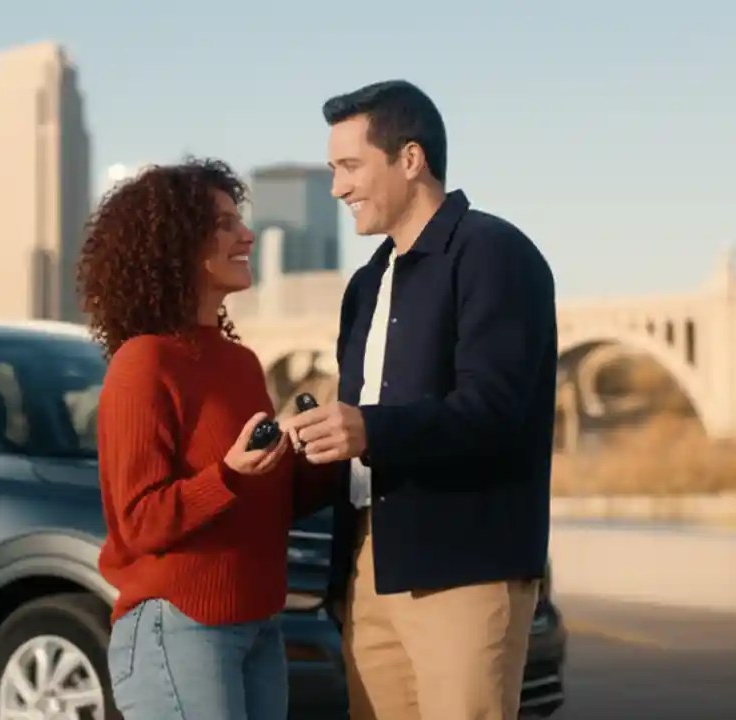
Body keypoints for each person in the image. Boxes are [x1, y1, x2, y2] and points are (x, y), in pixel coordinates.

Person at [282, 80, 558, 720]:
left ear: (411, 159)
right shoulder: (365, 284)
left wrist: (368, 430)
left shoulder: (495, 254)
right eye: (332, 170)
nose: (337, 188)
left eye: (350, 167)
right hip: (367, 569)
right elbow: (361, 433)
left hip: (463, 569)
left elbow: (494, 410)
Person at [77, 158, 338, 720]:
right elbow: (138, 520)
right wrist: (228, 475)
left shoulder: (240, 363)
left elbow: (268, 501)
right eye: (223, 224)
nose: (246, 235)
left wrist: (324, 451)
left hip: (260, 624)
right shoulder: (143, 363)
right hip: (180, 626)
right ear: (175, 243)